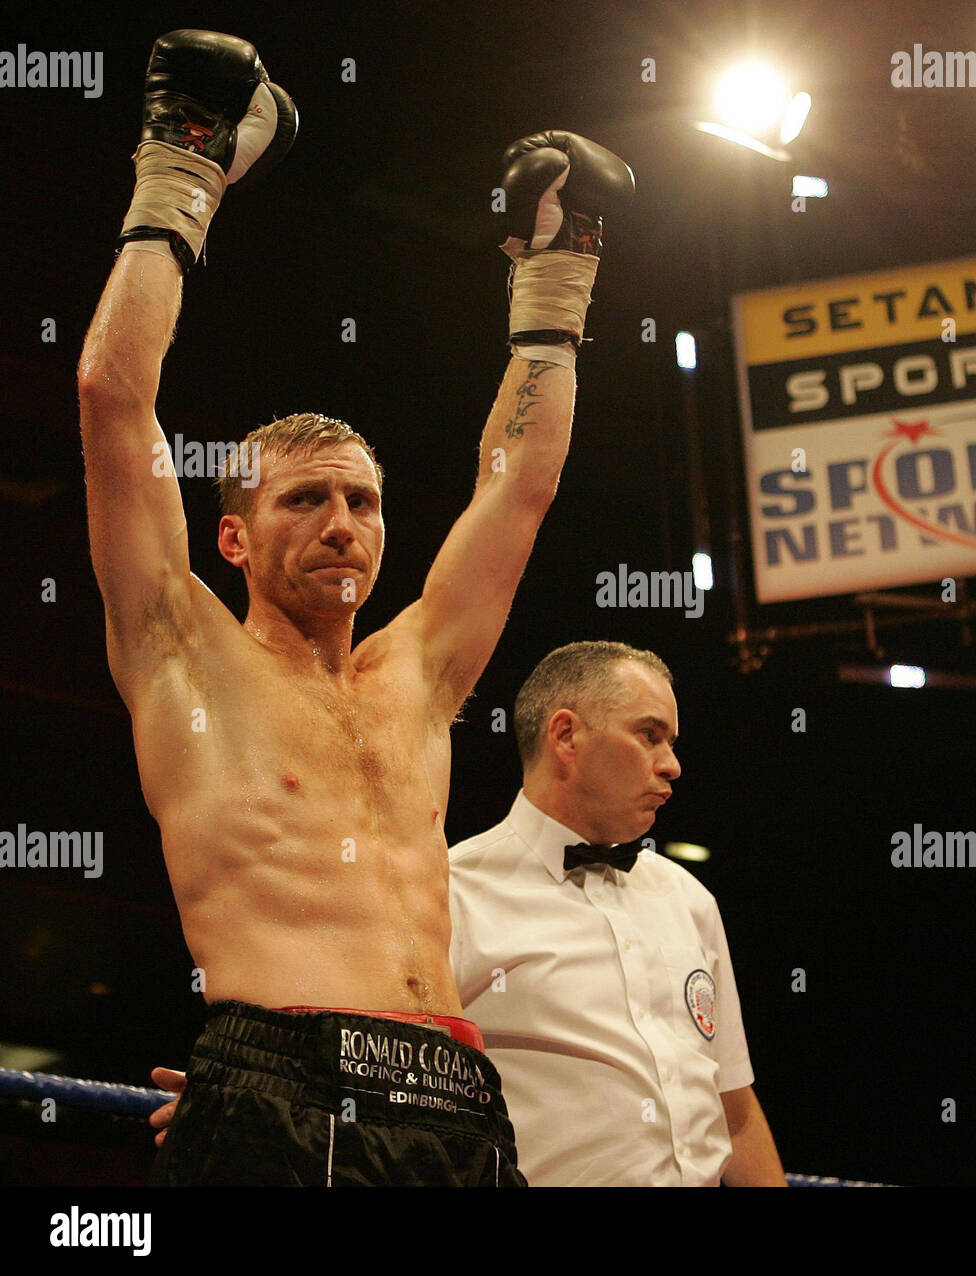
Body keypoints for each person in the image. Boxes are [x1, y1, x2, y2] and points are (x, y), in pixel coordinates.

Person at [81, 28, 632, 1186]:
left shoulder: (418, 671)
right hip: (284, 1076)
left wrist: (559, 270)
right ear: (231, 535)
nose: (343, 524)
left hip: (457, 1095)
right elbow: (112, 397)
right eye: (306, 501)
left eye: (364, 502)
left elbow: (520, 484)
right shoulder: (181, 650)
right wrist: (180, 171)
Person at [448, 641, 786, 1185]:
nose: (672, 765)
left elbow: (737, 1114)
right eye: (649, 735)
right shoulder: (452, 893)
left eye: (671, 742)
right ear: (566, 736)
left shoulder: (690, 900)